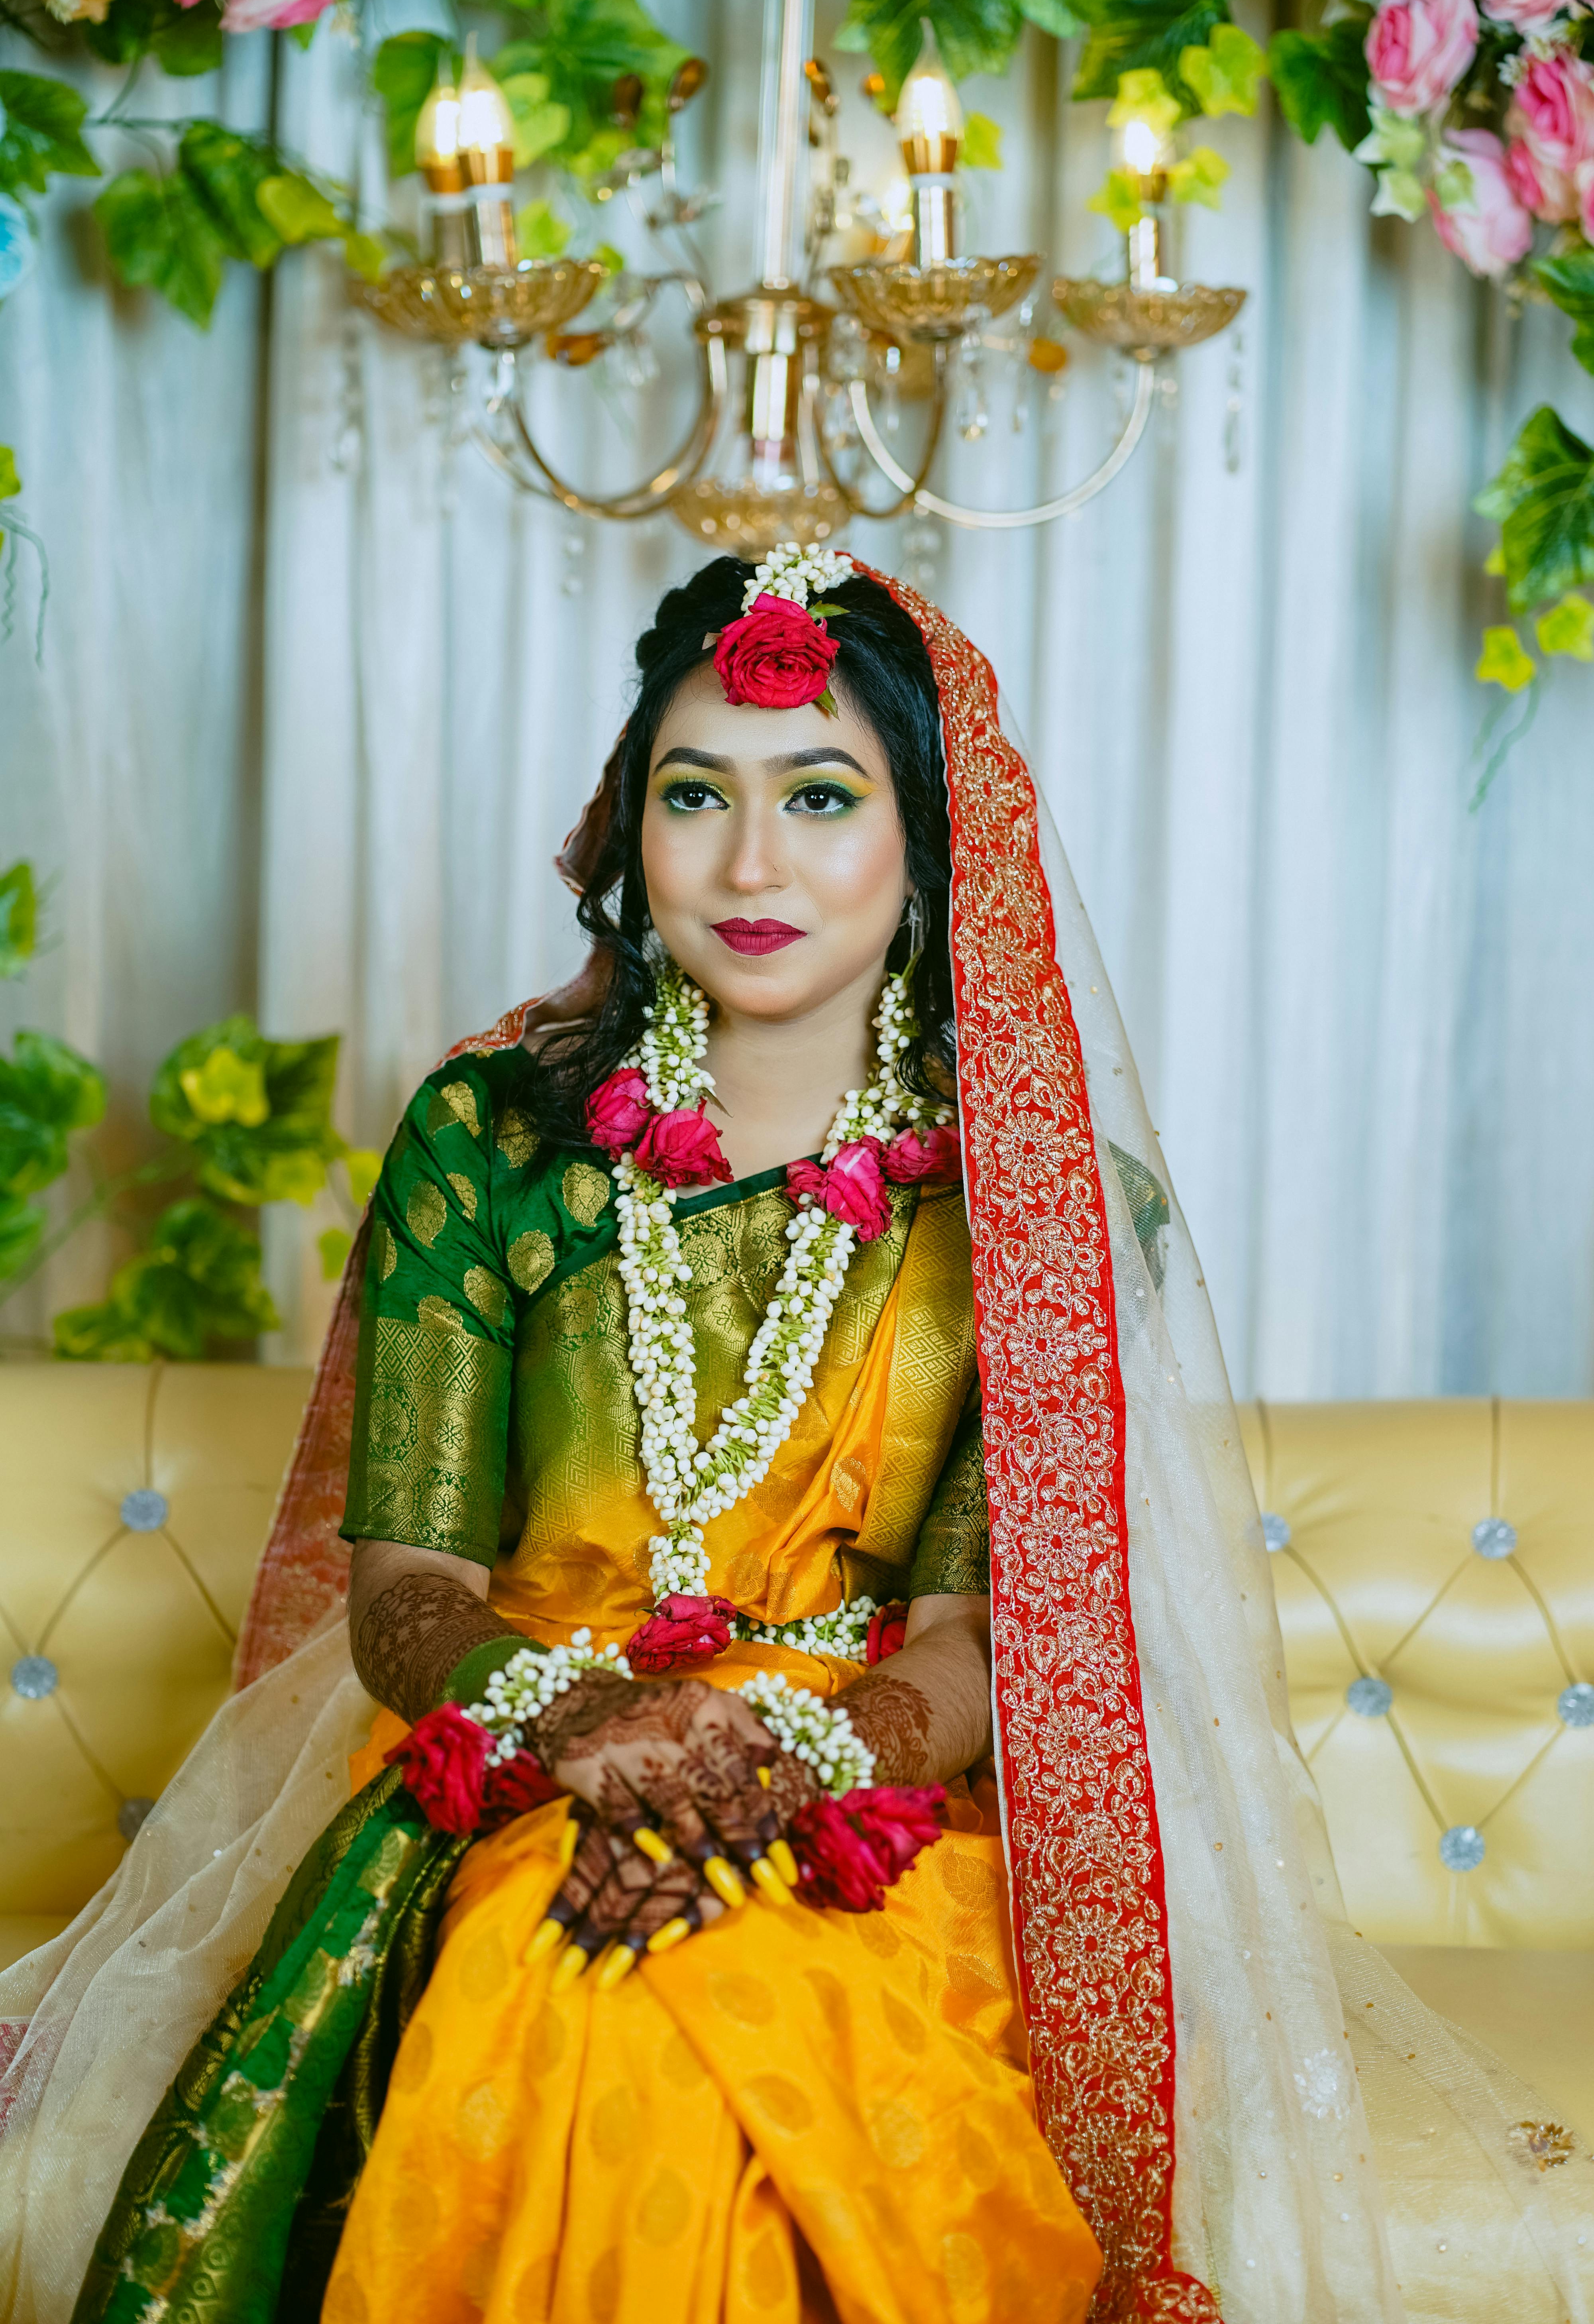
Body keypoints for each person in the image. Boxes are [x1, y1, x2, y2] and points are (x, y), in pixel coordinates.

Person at [1, 554, 1588, 2324]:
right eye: (698, 797)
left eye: (819, 798)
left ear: (925, 846)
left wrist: (768, 1782)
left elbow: (990, 1633)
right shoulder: (492, 1134)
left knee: (724, 1998)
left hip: (875, 1797)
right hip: (526, 1761)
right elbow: (406, 1581)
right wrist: (600, 1734)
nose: (750, 865)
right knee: (566, 1975)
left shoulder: (1050, 1200)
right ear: (632, 830)